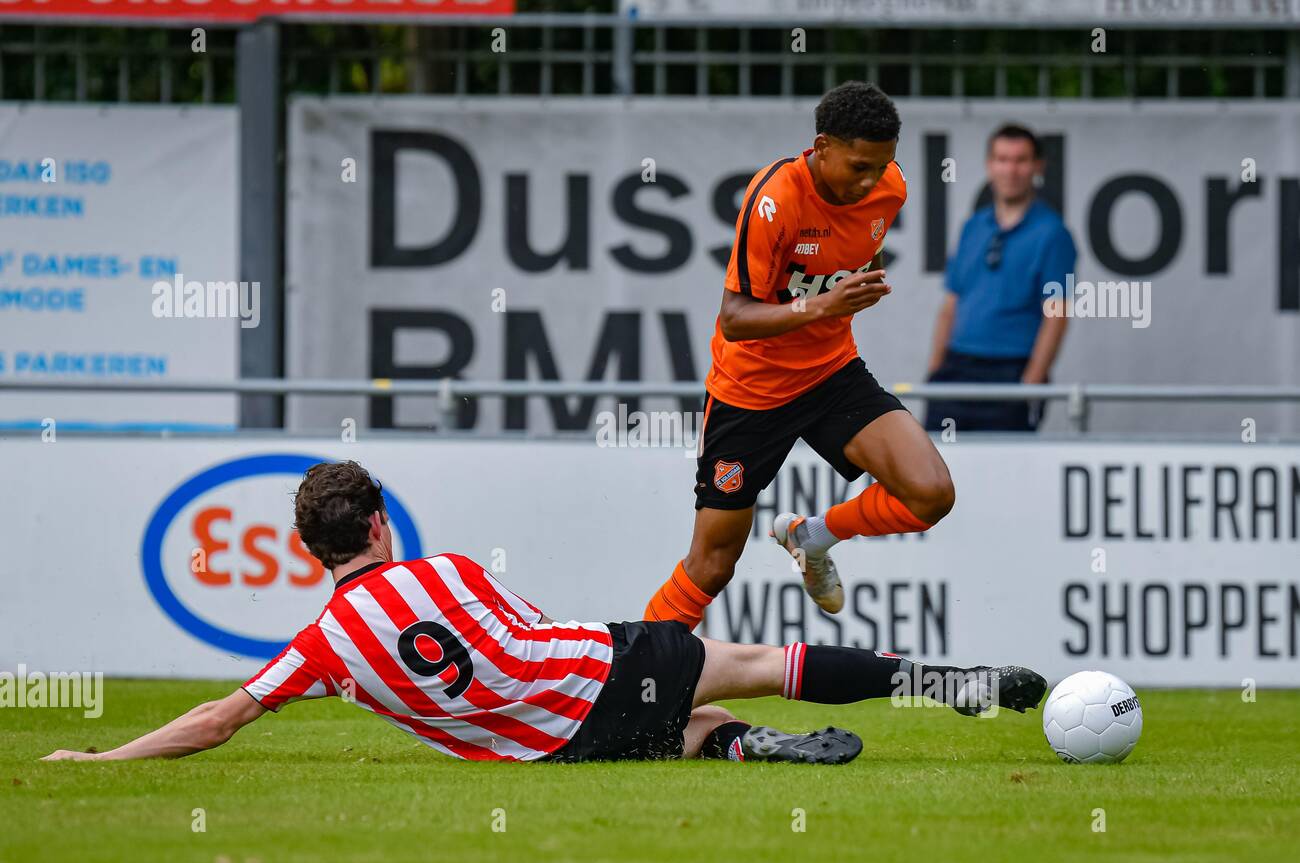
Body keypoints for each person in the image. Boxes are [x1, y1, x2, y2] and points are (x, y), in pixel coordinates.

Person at [42, 461, 1046, 766]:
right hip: (592, 665)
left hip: (544, 750)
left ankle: (750, 751)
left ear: (314, 551)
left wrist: (101, 762)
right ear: (381, 523)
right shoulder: (445, 570)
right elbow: (527, 628)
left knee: (683, 728)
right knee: (753, 655)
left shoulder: (320, 647)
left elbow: (219, 716)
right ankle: (946, 682)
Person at [642, 80, 954, 629]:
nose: (870, 180)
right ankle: (629, 680)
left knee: (930, 493)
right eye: (859, 166)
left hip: (831, 373)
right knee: (713, 566)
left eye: (881, 167)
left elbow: (859, 251)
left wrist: (845, 296)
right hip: (751, 392)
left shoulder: (890, 189)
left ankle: (812, 536)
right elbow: (735, 319)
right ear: (822, 146)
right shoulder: (773, 200)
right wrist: (825, 305)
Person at [924, 124, 1077, 432]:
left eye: (1021, 160)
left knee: (1005, 473)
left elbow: (1057, 314)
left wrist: (1031, 383)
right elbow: (951, 303)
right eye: (1003, 159)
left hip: (1011, 370)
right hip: (956, 369)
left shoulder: (1054, 234)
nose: (1011, 169)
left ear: (1038, 166)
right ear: (989, 165)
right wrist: (935, 370)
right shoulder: (973, 227)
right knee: (934, 473)